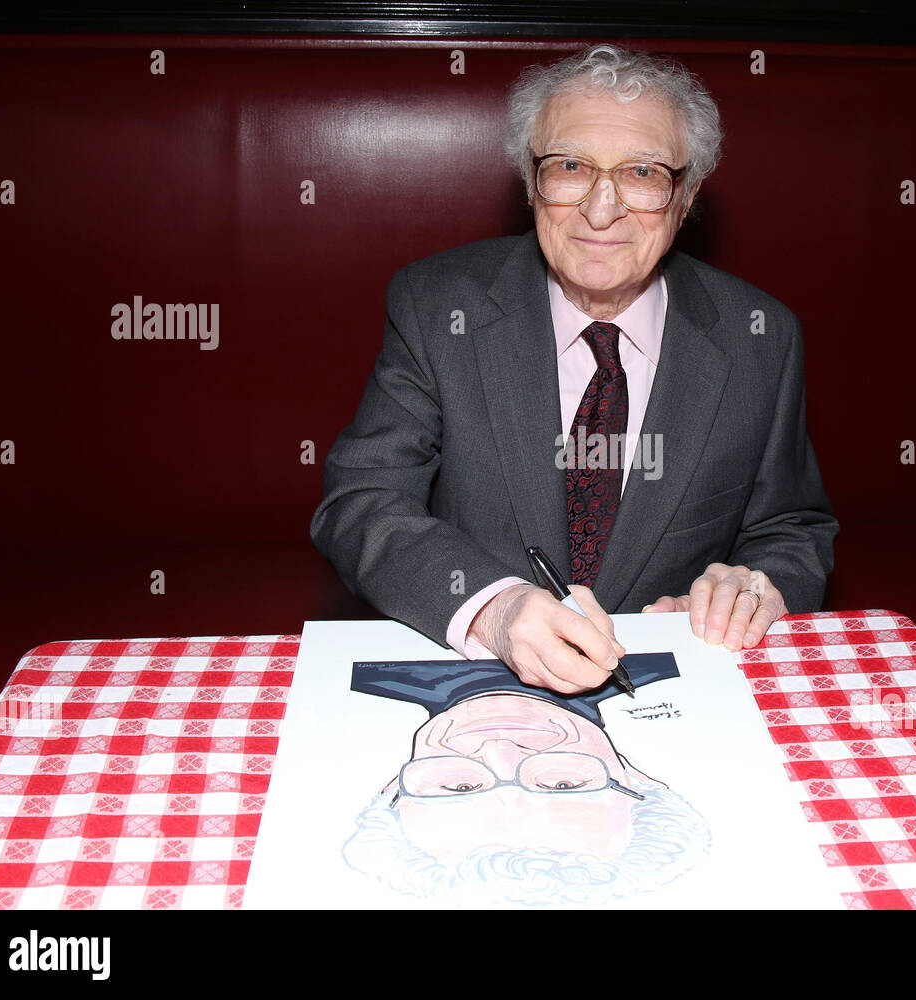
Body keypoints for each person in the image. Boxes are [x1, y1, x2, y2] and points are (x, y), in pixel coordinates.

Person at [312, 43, 837, 699]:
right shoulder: (436, 305)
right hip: (474, 680)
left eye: (642, 172)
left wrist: (756, 587)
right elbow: (362, 503)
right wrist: (493, 609)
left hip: (682, 689)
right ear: (531, 184)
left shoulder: (762, 337)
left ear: (687, 194)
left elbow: (791, 529)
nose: (601, 208)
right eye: (570, 166)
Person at [344, 658, 709, 905]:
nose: (498, 749)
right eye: (563, 783)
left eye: (459, 787)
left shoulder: (354, 670)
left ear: (390, 789)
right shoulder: (683, 660)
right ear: (638, 779)